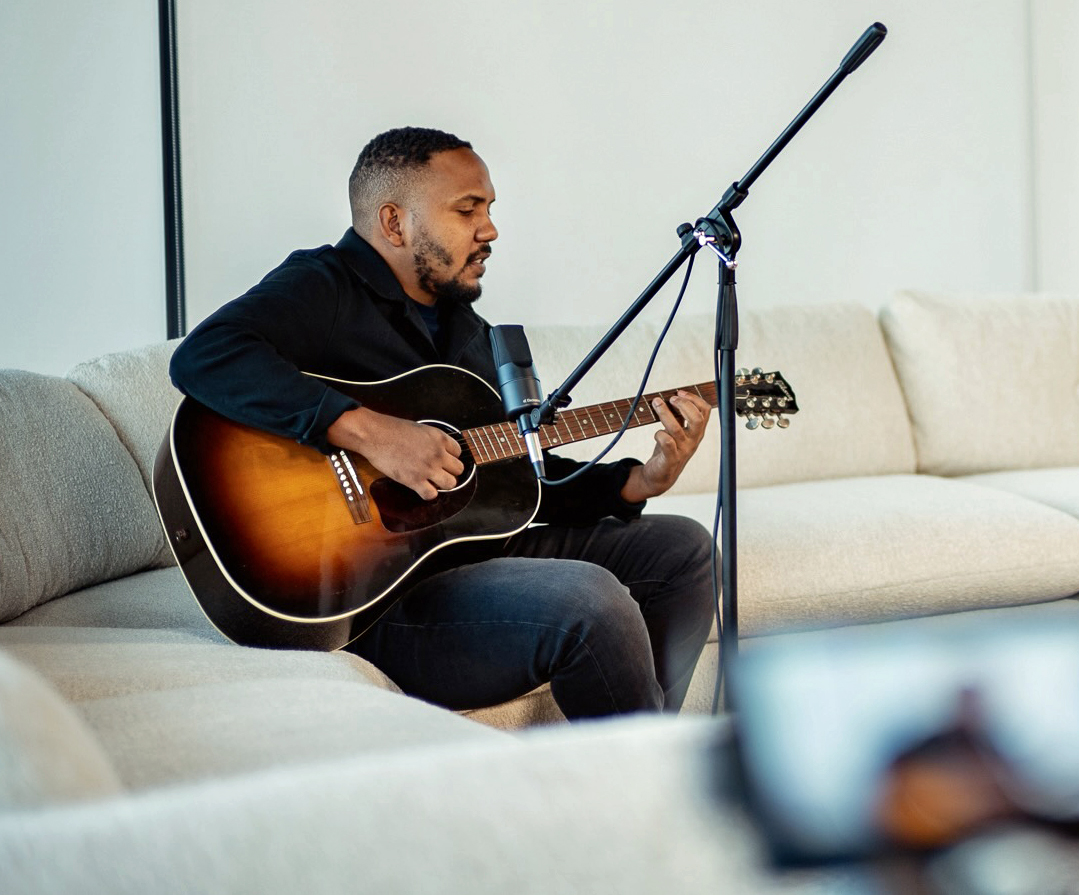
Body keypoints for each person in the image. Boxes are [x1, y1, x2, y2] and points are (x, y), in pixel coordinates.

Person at [170, 126, 717, 719]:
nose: (490, 229)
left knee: (685, 550)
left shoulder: (469, 331)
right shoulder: (324, 286)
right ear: (394, 222)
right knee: (589, 599)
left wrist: (641, 480)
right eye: (467, 210)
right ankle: (650, 776)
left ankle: (650, 751)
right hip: (371, 595)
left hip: (467, 556)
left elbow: (514, 476)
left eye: (489, 209)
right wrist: (369, 432)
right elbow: (205, 356)